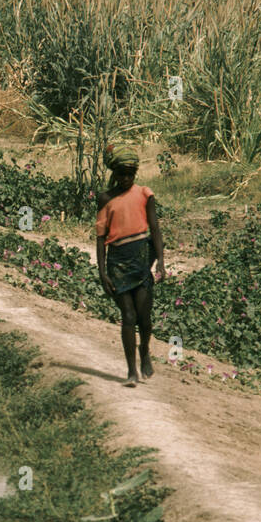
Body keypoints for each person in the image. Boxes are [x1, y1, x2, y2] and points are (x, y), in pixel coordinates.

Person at [95, 144, 165, 387]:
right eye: (121, 174)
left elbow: (155, 229)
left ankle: (145, 350)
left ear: (135, 175)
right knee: (128, 315)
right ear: (114, 173)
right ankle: (131, 371)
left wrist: (160, 263)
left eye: (130, 175)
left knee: (144, 319)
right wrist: (102, 271)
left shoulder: (145, 194)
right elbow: (101, 237)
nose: (126, 179)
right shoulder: (105, 199)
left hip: (141, 259)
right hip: (117, 262)